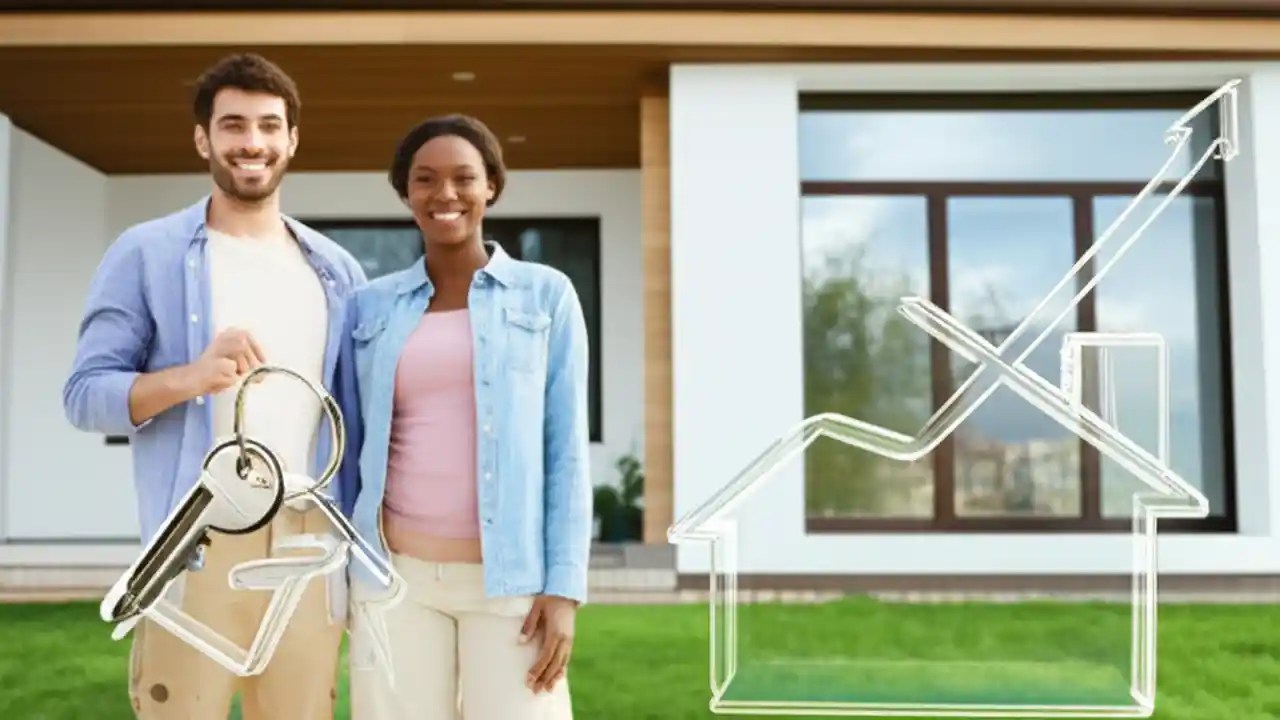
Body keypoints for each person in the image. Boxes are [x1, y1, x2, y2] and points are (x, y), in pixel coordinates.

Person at [61, 52, 366, 719]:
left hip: (309, 537)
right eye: (232, 126)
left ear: (291, 140)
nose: (251, 142)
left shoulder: (337, 271)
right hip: (197, 539)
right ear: (204, 138)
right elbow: (85, 394)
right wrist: (189, 377)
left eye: (267, 126)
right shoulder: (147, 252)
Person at [341, 114, 592, 719]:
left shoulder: (546, 295)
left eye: (463, 178)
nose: (445, 194)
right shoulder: (368, 308)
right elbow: (347, 446)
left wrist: (564, 589)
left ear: (491, 188)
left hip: (511, 587)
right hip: (394, 580)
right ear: (406, 193)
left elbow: (566, 449)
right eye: (425, 179)